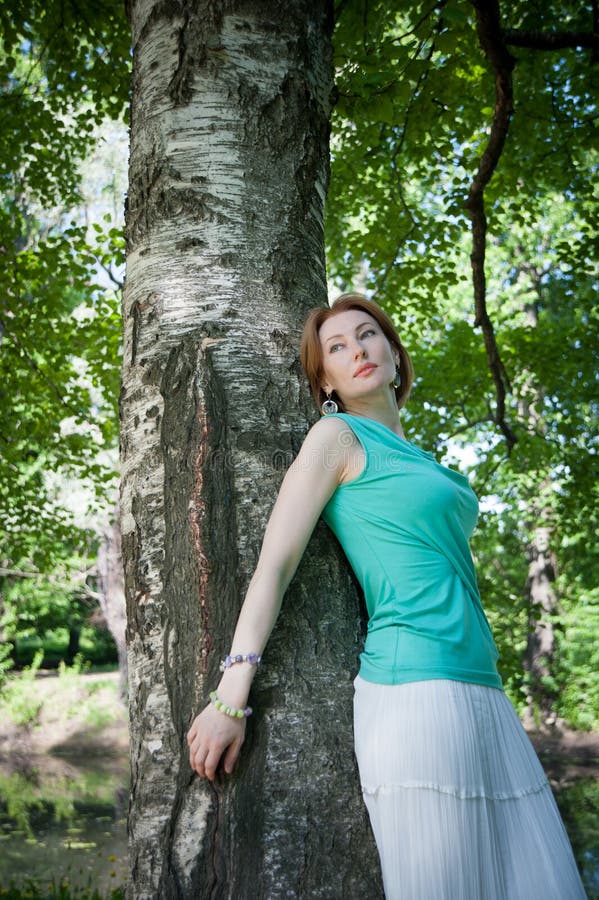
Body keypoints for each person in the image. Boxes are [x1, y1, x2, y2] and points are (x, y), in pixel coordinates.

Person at [187, 293, 587, 900]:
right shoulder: (334, 437)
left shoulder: (421, 456)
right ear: (326, 380)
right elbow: (275, 563)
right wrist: (231, 695)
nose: (358, 351)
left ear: (395, 357)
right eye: (337, 348)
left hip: (482, 685)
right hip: (414, 694)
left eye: (367, 335)